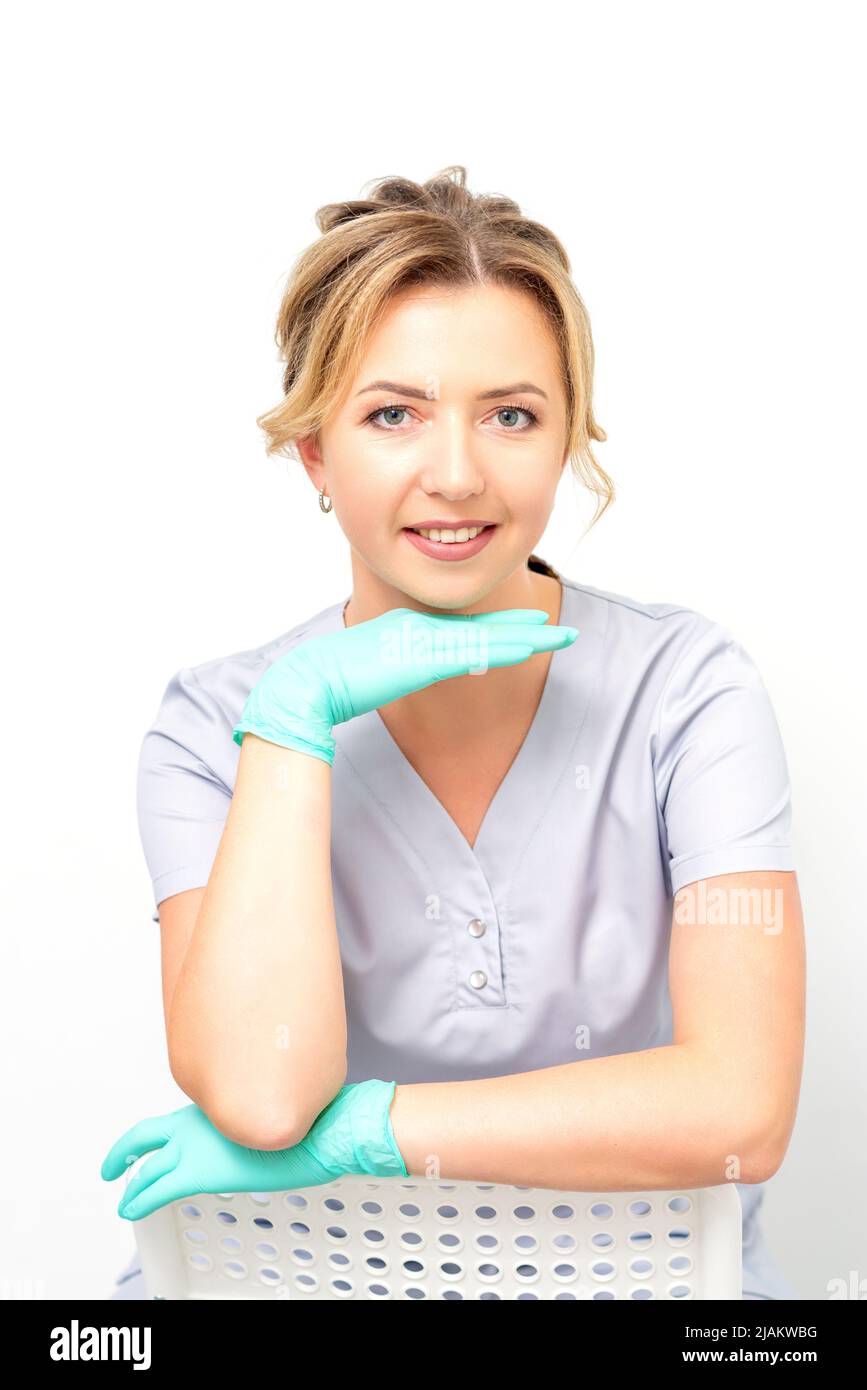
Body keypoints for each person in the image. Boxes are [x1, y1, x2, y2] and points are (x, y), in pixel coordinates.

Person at [108, 166, 804, 1300]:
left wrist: (376, 1129)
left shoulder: (685, 691)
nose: (458, 474)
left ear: (566, 435)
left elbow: (741, 1109)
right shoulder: (212, 727)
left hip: (657, 1285)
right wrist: (291, 732)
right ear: (317, 453)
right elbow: (265, 1094)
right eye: (393, 414)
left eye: (512, 415)